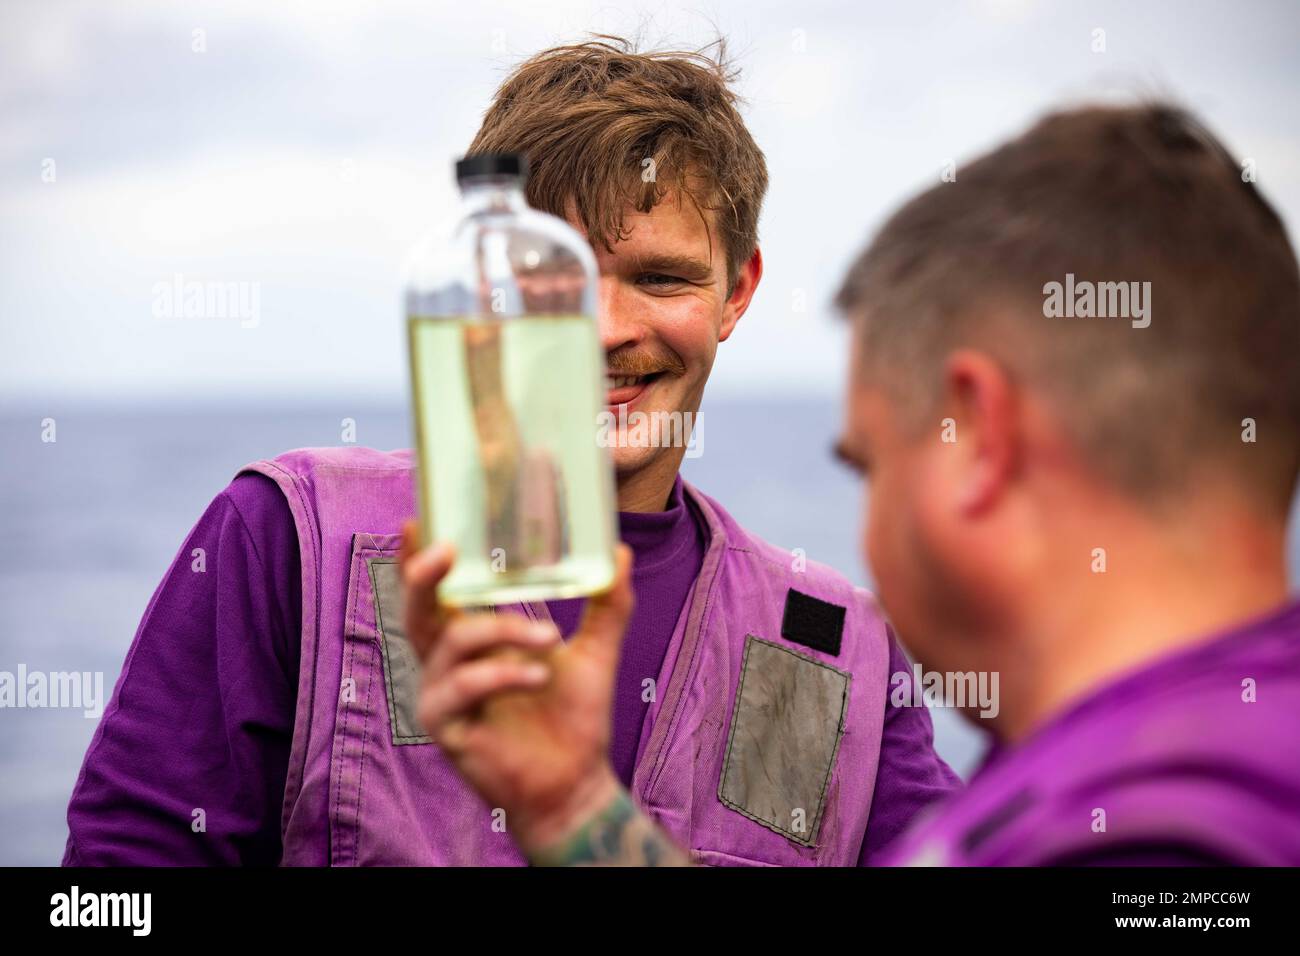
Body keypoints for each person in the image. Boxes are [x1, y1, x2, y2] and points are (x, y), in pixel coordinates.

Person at [62, 35, 957, 866]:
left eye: (660, 277)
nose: (602, 330)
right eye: (552, 280)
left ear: (737, 290)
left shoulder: (839, 652)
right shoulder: (293, 541)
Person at [411, 102, 1300, 866]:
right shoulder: (1191, 771)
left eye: (868, 463)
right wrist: (576, 814)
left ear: (979, 439)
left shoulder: (1143, 837)